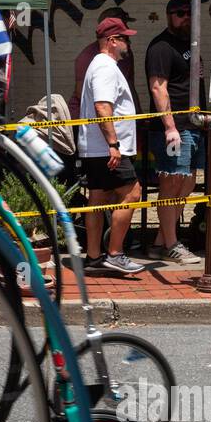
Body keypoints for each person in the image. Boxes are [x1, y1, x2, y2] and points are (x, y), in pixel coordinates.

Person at [80, 16, 145, 275]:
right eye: (124, 38)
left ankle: (93, 256)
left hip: (96, 148)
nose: (128, 43)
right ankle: (115, 253)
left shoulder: (100, 65)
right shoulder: (105, 67)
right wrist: (114, 144)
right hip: (107, 148)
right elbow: (102, 106)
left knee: (98, 198)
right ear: (111, 41)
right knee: (132, 193)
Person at [144, 0, 204, 264]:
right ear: (169, 15)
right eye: (180, 12)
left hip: (193, 125)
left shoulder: (191, 44)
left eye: (189, 12)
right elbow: (158, 87)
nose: (185, 17)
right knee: (171, 183)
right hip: (173, 127)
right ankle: (172, 243)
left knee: (188, 181)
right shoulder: (161, 47)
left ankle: (159, 241)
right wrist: (169, 126)